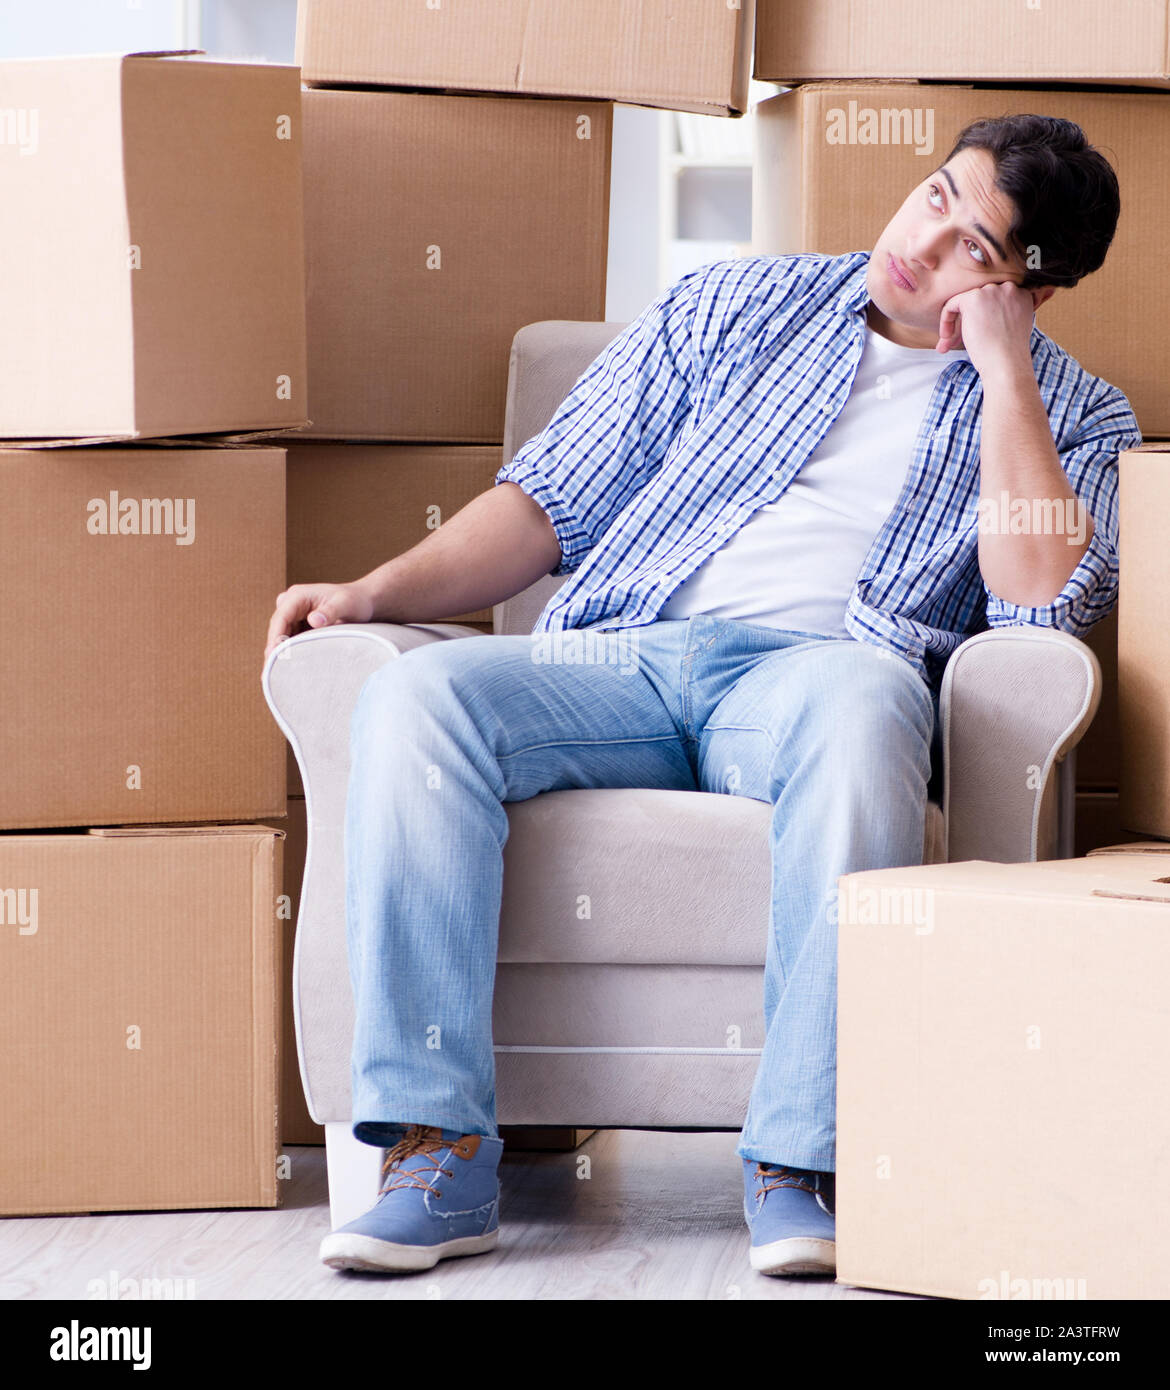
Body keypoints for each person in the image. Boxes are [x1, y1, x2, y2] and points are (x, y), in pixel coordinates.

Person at [265, 114, 1140, 1281]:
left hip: (814, 683)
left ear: (1033, 289)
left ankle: (799, 1162)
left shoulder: (1076, 414)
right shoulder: (732, 304)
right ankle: (439, 1152)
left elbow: (1036, 604)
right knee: (418, 699)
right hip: (623, 653)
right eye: (934, 196)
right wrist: (373, 589)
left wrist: (1004, 373)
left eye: (974, 245)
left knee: (871, 704)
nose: (922, 245)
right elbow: (547, 506)